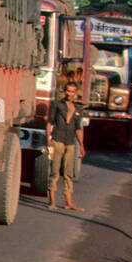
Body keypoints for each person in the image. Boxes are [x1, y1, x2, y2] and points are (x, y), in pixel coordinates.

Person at [46, 81, 86, 211]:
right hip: (58, 140)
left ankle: (68, 202)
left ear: (75, 93)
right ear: (65, 91)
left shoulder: (78, 109)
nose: (69, 94)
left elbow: (78, 128)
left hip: (70, 143)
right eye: (68, 91)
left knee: (68, 173)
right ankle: (52, 201)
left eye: (72, 92)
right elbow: (50, 122)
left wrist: (81, 145)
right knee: (55, 171)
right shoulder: (57, 105)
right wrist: (48, 139)